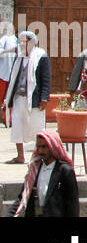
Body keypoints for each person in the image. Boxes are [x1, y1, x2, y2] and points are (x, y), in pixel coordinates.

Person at [9, 131, 78, 217]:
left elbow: (72, 204)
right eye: (38, 147)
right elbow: (22, 198)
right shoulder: (34, 170)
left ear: (53, 147)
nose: (40, 151)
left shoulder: (65, 171)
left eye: (44, 147)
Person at [6, 30, 50, 164]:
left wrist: (44, 98)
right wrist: (6, 99)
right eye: (20, 41)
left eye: (24, 41)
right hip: (19, 98)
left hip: (35, 99)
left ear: (32, 42)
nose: (21, 44)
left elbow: (46, 79)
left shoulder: (41, 56)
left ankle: (39, 156)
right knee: (17, 126)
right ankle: (20, 156)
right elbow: (13, 79)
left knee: (37, 128)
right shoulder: (19, 57)